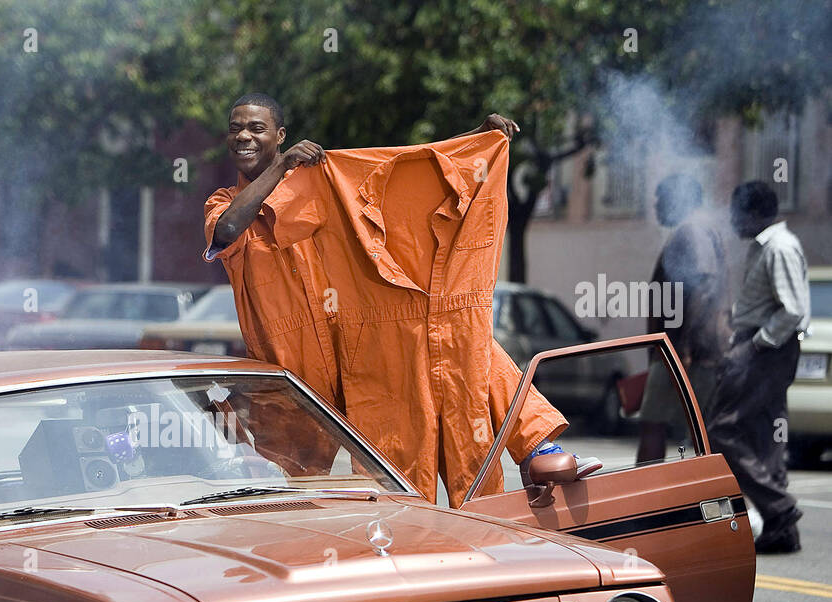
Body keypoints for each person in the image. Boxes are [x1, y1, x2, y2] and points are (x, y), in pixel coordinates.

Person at [204, 93, 597, 505]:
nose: (243, 137)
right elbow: (228, 229)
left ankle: (535, 449)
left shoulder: (320, 181)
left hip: (353, 344)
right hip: (294, 364)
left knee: (462, 346)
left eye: (256, 128)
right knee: (293, 483)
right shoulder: (224, 202)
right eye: (235, 129)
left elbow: (401, 168)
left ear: (280, 135)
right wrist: (283, 167)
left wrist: (475, 141)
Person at [709, 181, 810, 553]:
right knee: (764, 432)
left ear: (752, 213)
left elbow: (794, 310)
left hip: (766, 350)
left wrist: (753, 345)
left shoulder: (778, 247)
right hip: (766, 348)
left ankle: (779, 509)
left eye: (735, 212)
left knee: (721, 429)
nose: (732, 220)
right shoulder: (768, 246)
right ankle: (782, 531)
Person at [635, 173, 731, 464]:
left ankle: (646, 498)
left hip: (684, 352)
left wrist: (685, 349)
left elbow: (702, 286)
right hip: (687, 351)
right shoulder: (697, 230)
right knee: (702, 431)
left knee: (654, 423)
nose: (656, 205)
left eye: (661, 198)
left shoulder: (691, 232)